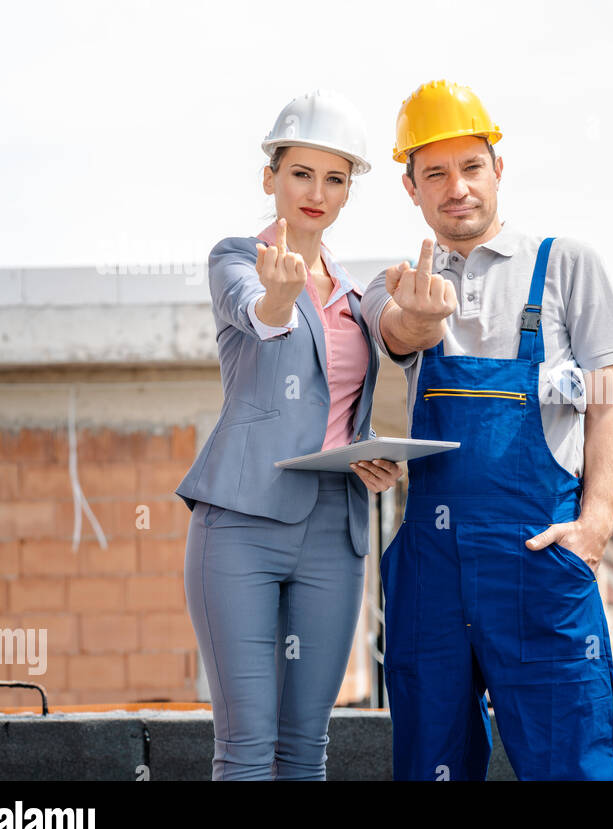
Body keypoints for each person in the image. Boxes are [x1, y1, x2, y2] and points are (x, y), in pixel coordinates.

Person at [362, 80, 613, 780]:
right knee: (432, 765)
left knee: (575, 765)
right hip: (431, 573)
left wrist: (596, 522)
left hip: (540, 558)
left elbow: (610, 400)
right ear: (410, 188)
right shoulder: (393, 283)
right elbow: (397, 332)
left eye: (471, 166)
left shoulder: (568, 267)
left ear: (498, 169)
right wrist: (419, 317)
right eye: (435, 173)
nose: (457, 187)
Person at [175, 89, 403, 780]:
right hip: (241, 524)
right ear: (270, 177)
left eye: (335, 178)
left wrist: (369, 457)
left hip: (334, 530)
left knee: (306, 749)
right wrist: (281, 293)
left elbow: (351, 407)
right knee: (245, 747)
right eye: (301, 173)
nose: (316, 192)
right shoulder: (237, 259)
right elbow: (259, 314)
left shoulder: (359, 297)